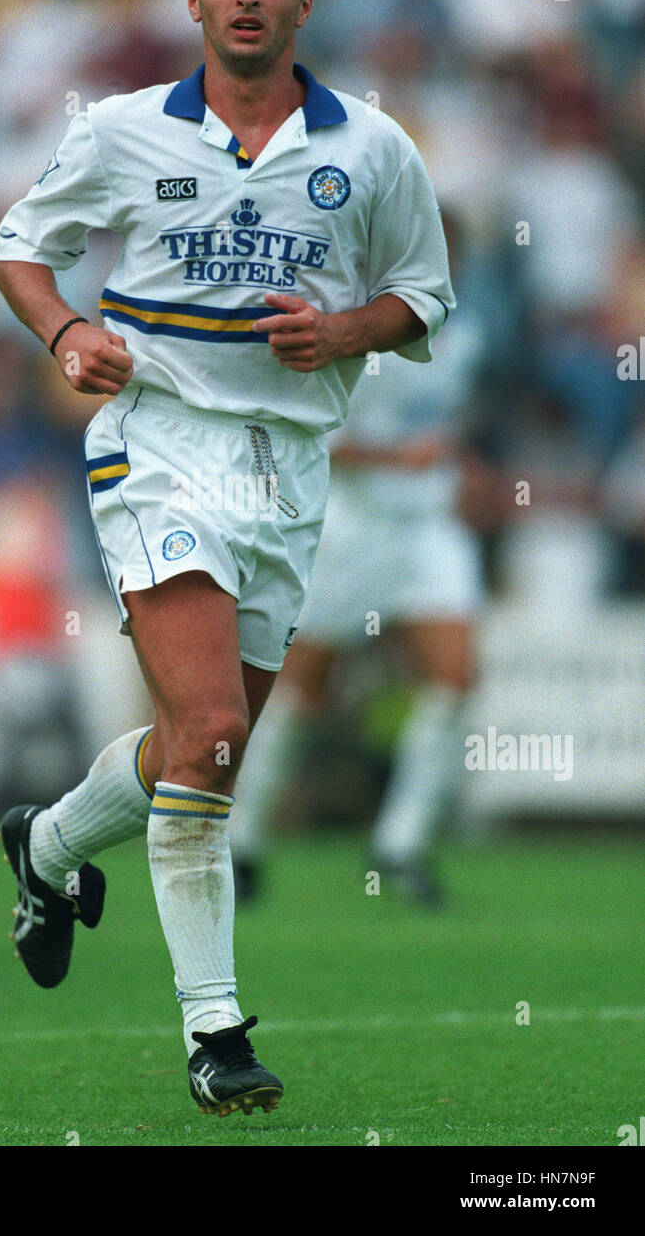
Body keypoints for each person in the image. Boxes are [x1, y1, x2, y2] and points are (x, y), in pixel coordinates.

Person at [0, 0, 453, 1119]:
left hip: (290, 474)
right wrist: (67, 329)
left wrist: (350, 326)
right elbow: (19, 244)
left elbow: (425, 296)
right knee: (208, 738)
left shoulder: (374, 149)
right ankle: (216, 1034)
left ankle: (44, 845)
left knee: (202, 752)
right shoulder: (124, 129)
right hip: (157, 444)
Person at [229, 233, 485, 906]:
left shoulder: (464, 338)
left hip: (428, 528)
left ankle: (398, 845)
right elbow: (307, 439)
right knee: (304, 688)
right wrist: (397, 462)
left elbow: (449, 429)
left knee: (455, 679)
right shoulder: (350, 336)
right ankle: (245, 840)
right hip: (351, 526)